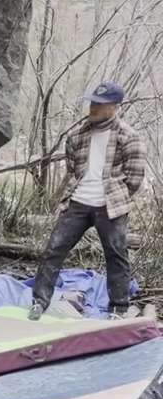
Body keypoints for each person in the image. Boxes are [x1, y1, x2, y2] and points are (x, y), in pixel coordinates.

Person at [29, 80, 144, 321]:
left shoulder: (129, 136)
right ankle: (39, 302)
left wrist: (115, 196)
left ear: (114, 106)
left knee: (116, 255)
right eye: (92, 102)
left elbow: (135, 178)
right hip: (78, 202)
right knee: (53, 249)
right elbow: (73, 169)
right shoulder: (76, 135)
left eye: (100, 104)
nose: (93, 107)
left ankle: (118, 310)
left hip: (110, 206)